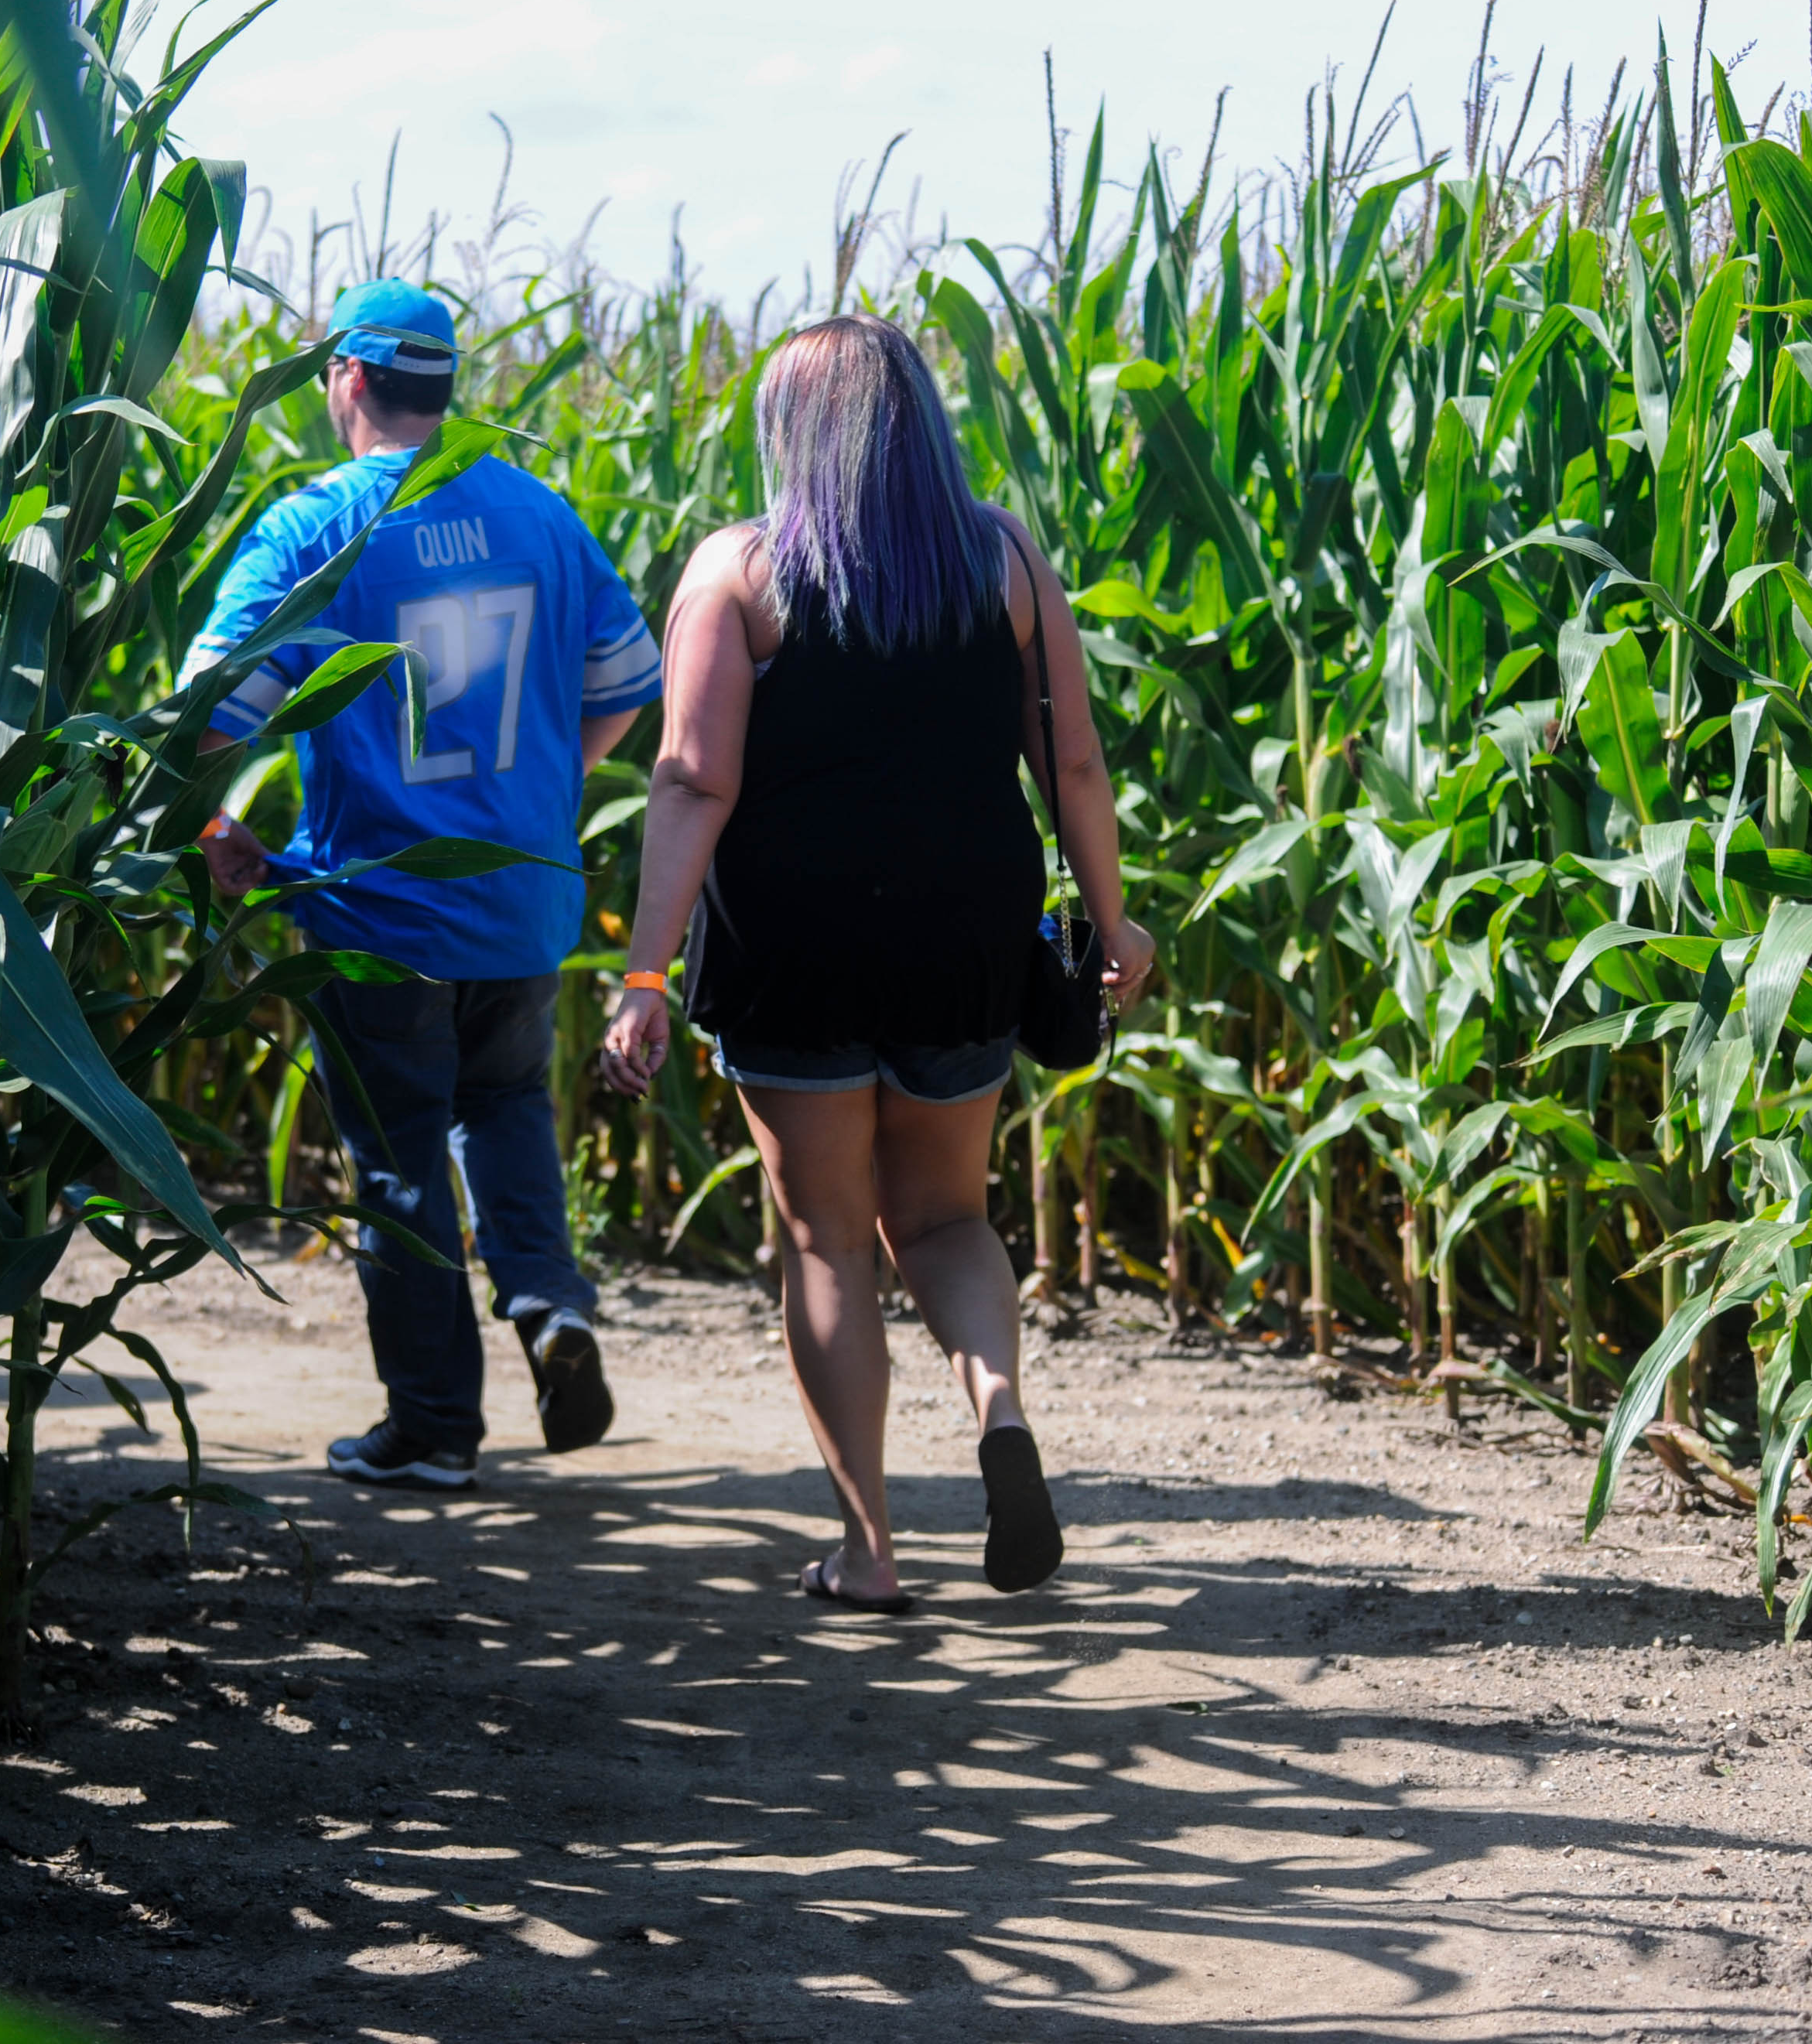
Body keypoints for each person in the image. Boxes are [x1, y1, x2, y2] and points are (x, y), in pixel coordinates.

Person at [594, 316, 1152, 1608]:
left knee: (829, 1239)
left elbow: (689, 778)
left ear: (792, 436)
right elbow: (1071, 763)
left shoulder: (738, 575)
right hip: (965, 940)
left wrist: (645, 975)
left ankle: (871, 1554)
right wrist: (1112, 924)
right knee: (949, 1216)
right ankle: (999, 1409)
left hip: (795, 949)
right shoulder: (1004, 560)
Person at [183, 279, 665, 1490]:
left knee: (397, 1152)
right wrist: (546, 791)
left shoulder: (314, 530)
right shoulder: (539, 513)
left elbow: (200, 718)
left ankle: (436, 1425)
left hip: (377, 910)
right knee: (505, 1112)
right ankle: (551, 1305)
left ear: (347, 381)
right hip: (520, 900)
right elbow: (623, 682)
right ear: (446, 389)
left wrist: (217, 829)